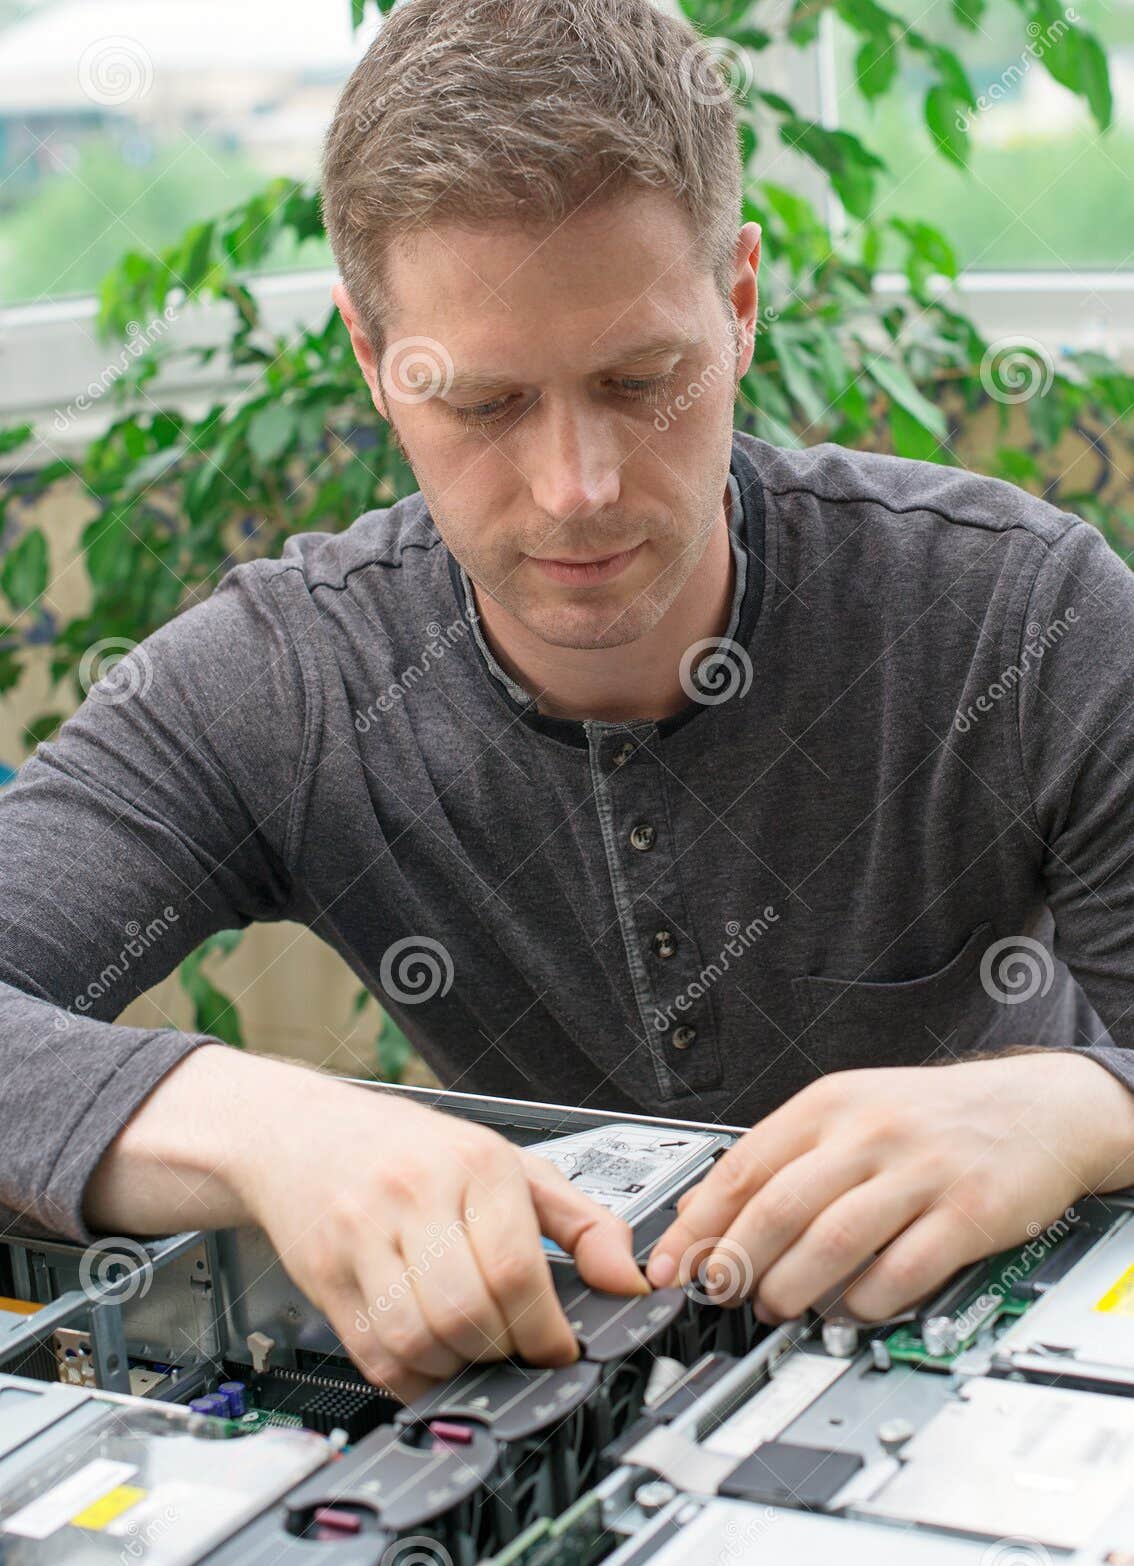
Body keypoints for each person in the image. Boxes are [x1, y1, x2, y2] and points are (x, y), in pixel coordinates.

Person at [3, 0, 1133, 1404]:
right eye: (483, 405)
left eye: (637, 379)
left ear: (736, 302)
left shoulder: (1018, 615)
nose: (576, 487)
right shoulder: (285, 681)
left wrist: (1083, 1110)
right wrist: (268, 1124)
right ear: (372, 357)